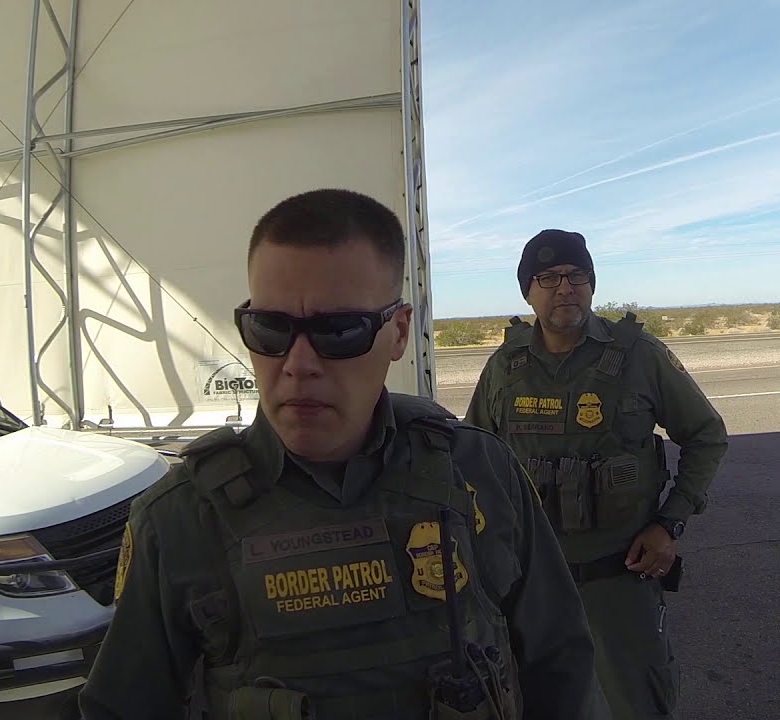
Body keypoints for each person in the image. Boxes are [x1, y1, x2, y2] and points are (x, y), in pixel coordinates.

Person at [78, 191, 611, 720]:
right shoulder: (179, 519)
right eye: (270, 329)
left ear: (398, 332)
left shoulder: (479, 471)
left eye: (339, 331)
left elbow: (560, 664)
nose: (298, 364)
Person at [463, 229, 729, 719]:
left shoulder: (638, 355)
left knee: (635, 706)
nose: (565, 287)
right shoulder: (505, 365)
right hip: (529, 584)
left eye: (577, 275)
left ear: (591, 284)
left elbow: (706, 435)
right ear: (528, 290)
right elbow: (473, 460)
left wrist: (669, 524)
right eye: (548, 278)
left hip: (618, 579)